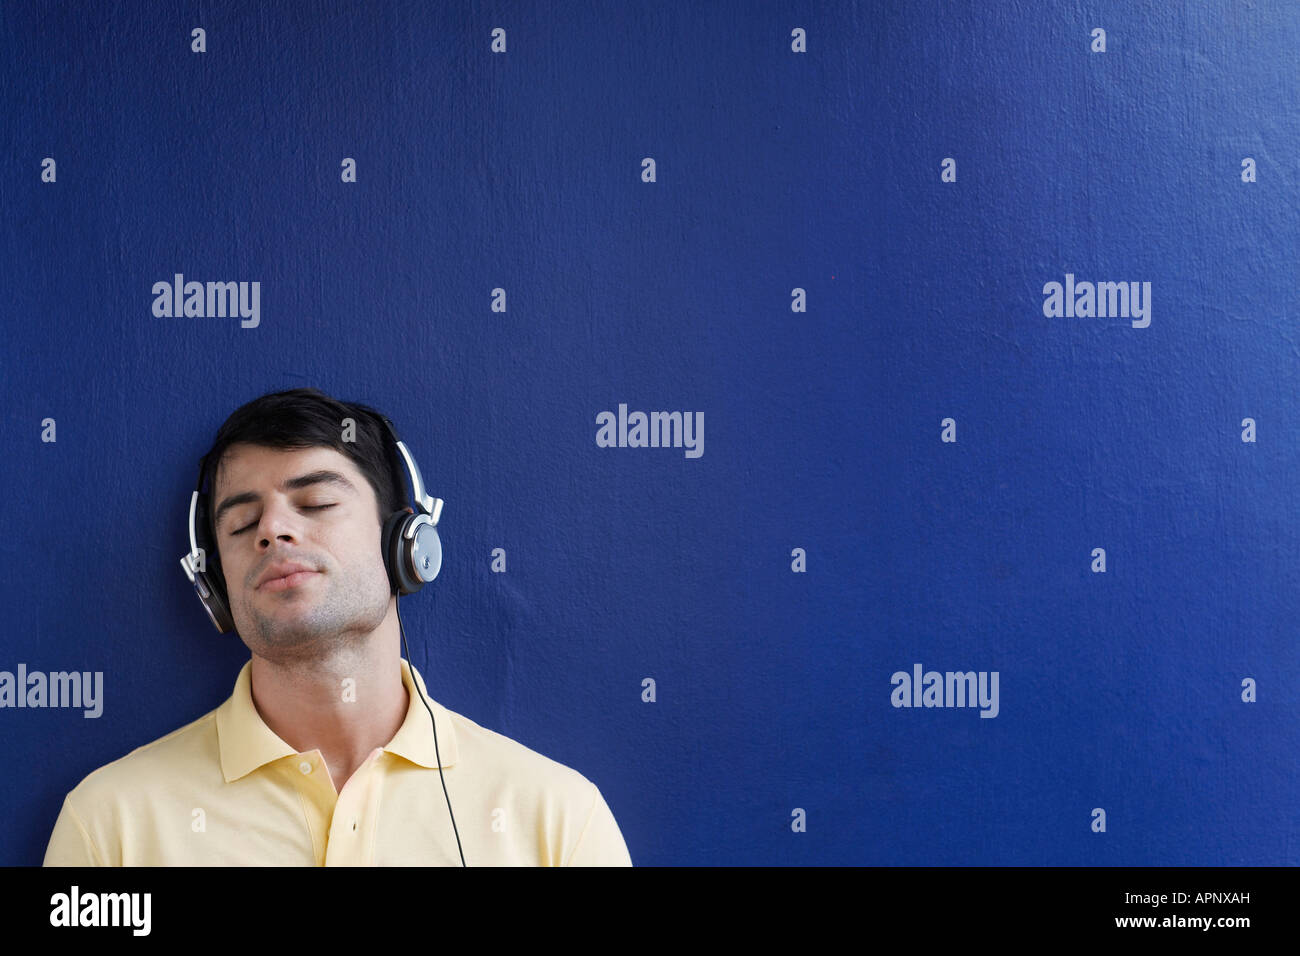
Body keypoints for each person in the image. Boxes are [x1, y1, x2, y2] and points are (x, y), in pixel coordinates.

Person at [43, 388, 632, 866]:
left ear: (406, 543)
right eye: (242, 522)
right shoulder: (109, 827)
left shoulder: (557, 821)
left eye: (317, 502)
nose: (272, 530)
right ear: (215, 585)